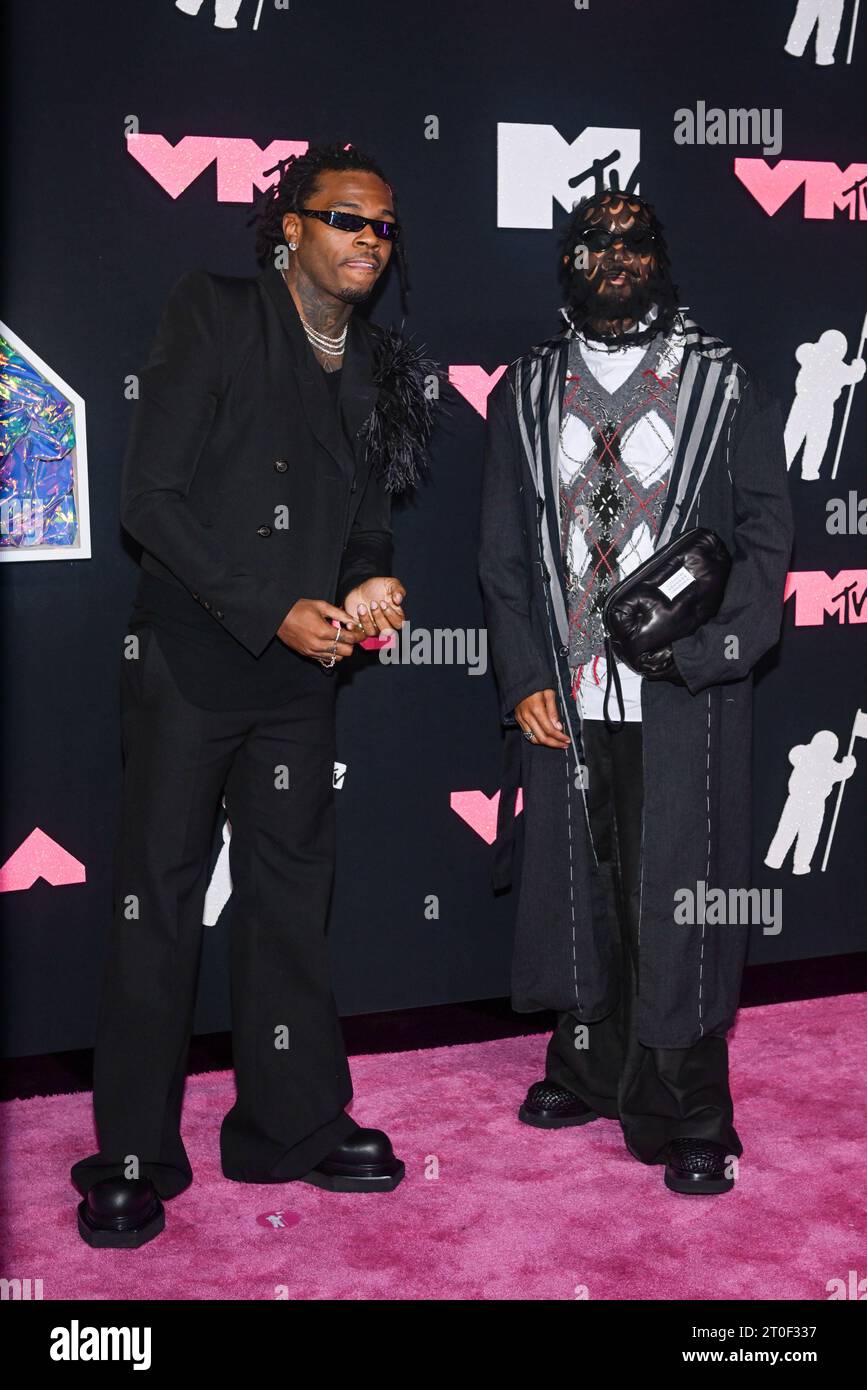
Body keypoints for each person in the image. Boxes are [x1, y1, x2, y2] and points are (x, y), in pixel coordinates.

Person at [71, 142, 438, 1246]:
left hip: (299, 678)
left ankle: (289, 1121)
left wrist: (367, 579)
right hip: (191, 660)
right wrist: (271, 601)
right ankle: (132, 1150)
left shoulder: (375, 365)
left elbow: (364, 517)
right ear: (292, 225)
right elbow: (152, 501)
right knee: (159, 903)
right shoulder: (216, 312)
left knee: (290, 903)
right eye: (346, 219)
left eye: (384, 226)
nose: (370, 240)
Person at [479, 189, 794, 1195]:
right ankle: (587, 1062)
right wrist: (524, 672)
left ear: (661, 259)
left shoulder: (723, 386)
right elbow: (500, 558)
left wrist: (708, 659)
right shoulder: (523, 393)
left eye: (634, 242)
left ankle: (690, 1106)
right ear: (564, 264)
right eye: (593, 243)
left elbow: (764, 542)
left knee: (681, 899)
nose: (615, 257)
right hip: (567, 693)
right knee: (580, 884)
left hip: (680, 692)